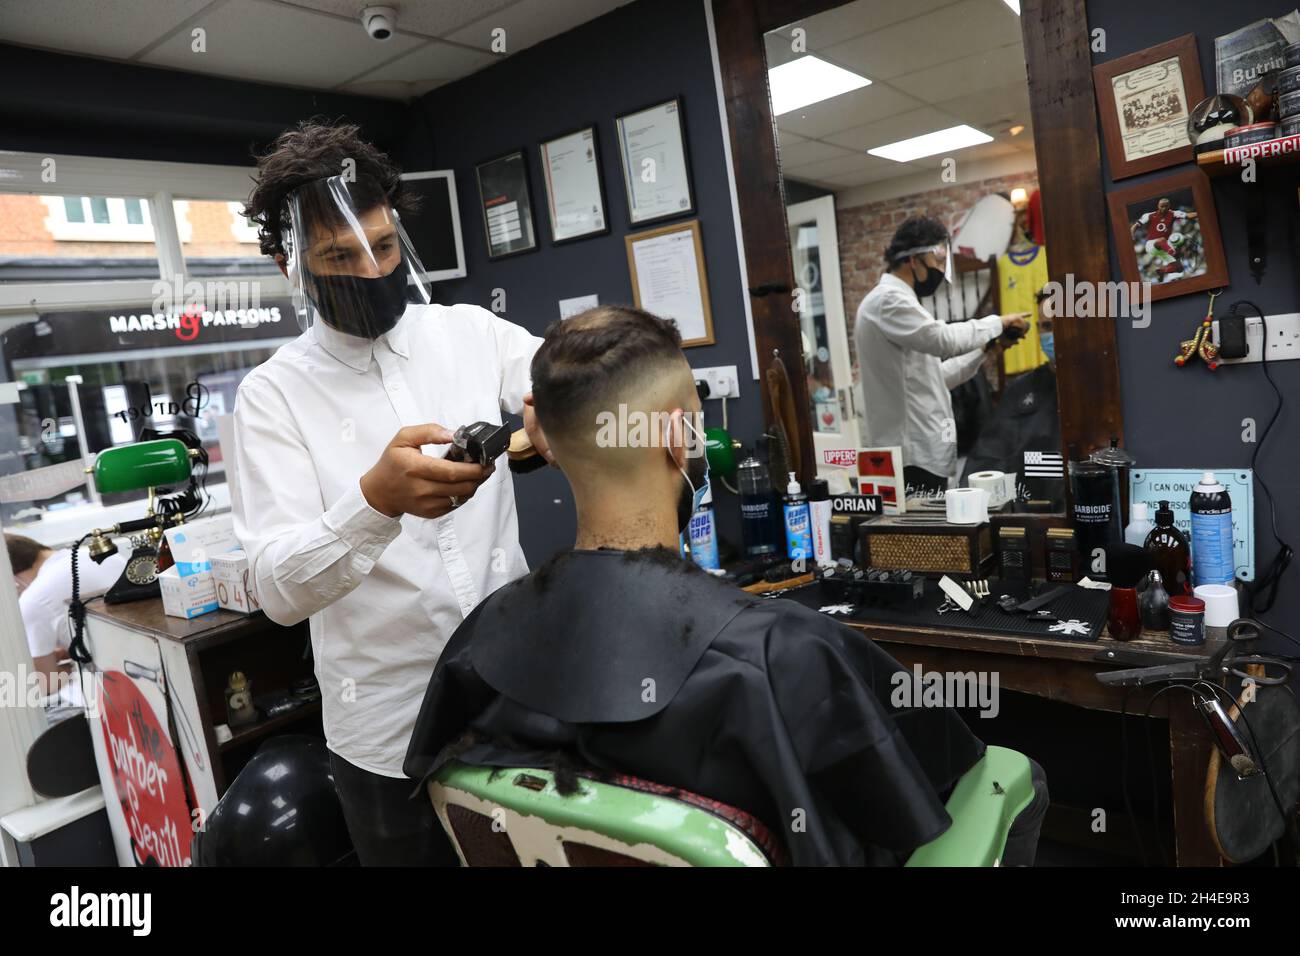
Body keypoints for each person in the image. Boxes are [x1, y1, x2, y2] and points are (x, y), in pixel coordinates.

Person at [405, 305, 1048, 866]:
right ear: (678, 435)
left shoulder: (481, 637)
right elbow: (927, 783)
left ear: (541, 436)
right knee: (1018, 775)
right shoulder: (783, 654)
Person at [232, 120, 549, 865]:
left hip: (518, 696)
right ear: (288, 265)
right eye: (340, 256)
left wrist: (558, 408)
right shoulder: (271, 398)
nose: (372, 271)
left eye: (381, 246)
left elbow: (565, 379)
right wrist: (373, 504)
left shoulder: (472, 332)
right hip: (387, 734)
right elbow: (275, 588)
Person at [854, 216, 1029, 498]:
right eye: (936, 261)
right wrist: (997, 322)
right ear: (915, 259)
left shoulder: (899, 303)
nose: (938, 270)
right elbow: (944, 340)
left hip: (921, 457)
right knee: (922, 540)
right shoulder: (888, 301)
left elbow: (938, 378)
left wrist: (988, 349)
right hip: (911, 458)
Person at [7, 533, 125, 701]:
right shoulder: (98, 554)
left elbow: (46, 684)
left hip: (110, 688)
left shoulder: (32, 600)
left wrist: (71, 667)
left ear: (12, 581)